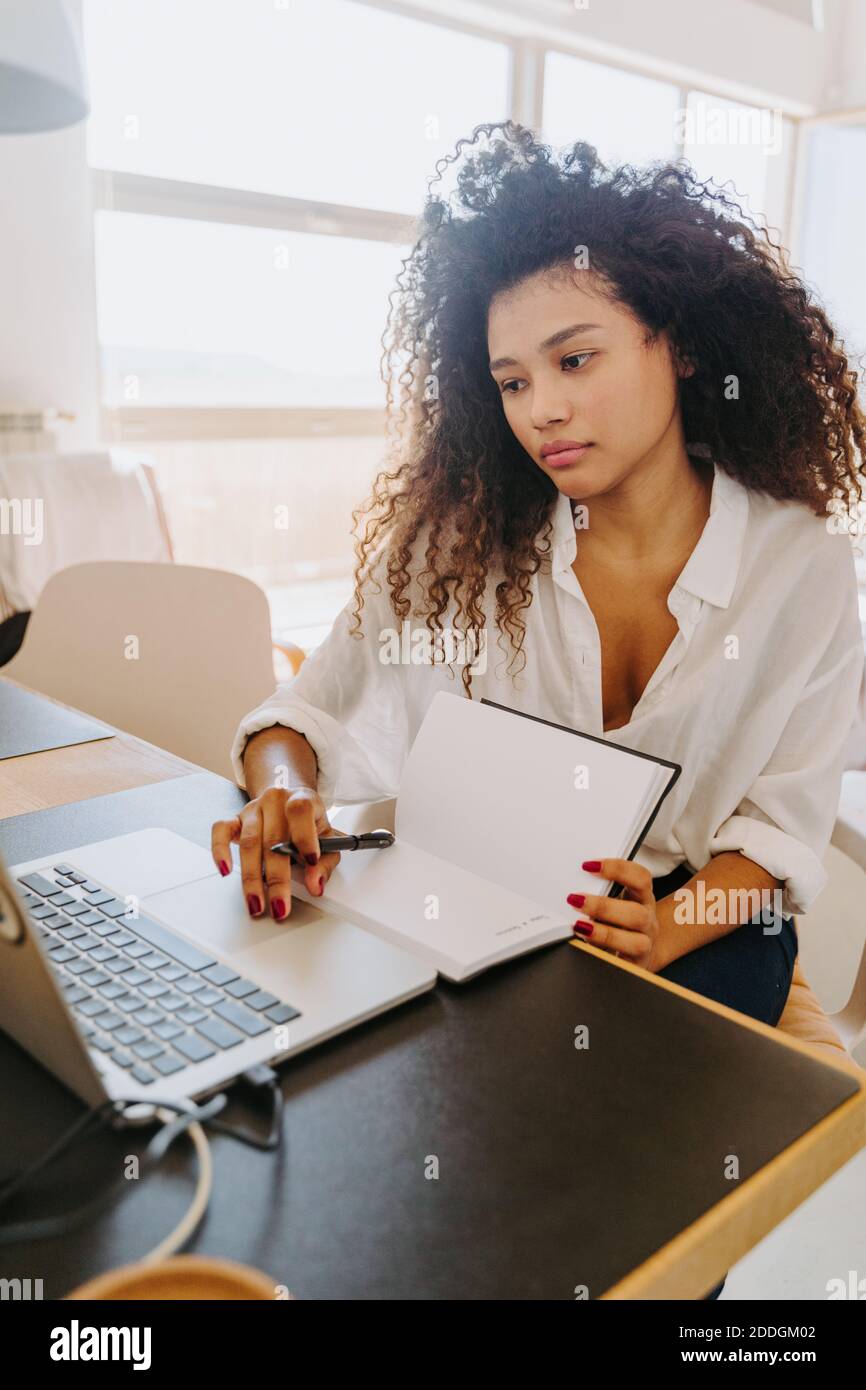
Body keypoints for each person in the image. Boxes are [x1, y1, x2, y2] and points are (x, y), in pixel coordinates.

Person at [212, 124, 865, 1299]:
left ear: (672, 342)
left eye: (575, 359)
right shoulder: (464, 545)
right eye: (511, 380)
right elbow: (301, 714)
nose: (540, 411)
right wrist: (281, 789)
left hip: (695, 930)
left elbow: (779, 828)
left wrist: (668, 922)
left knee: (620, 1212)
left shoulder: (800, 565)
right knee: (404, 1158)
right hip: (493, 918)